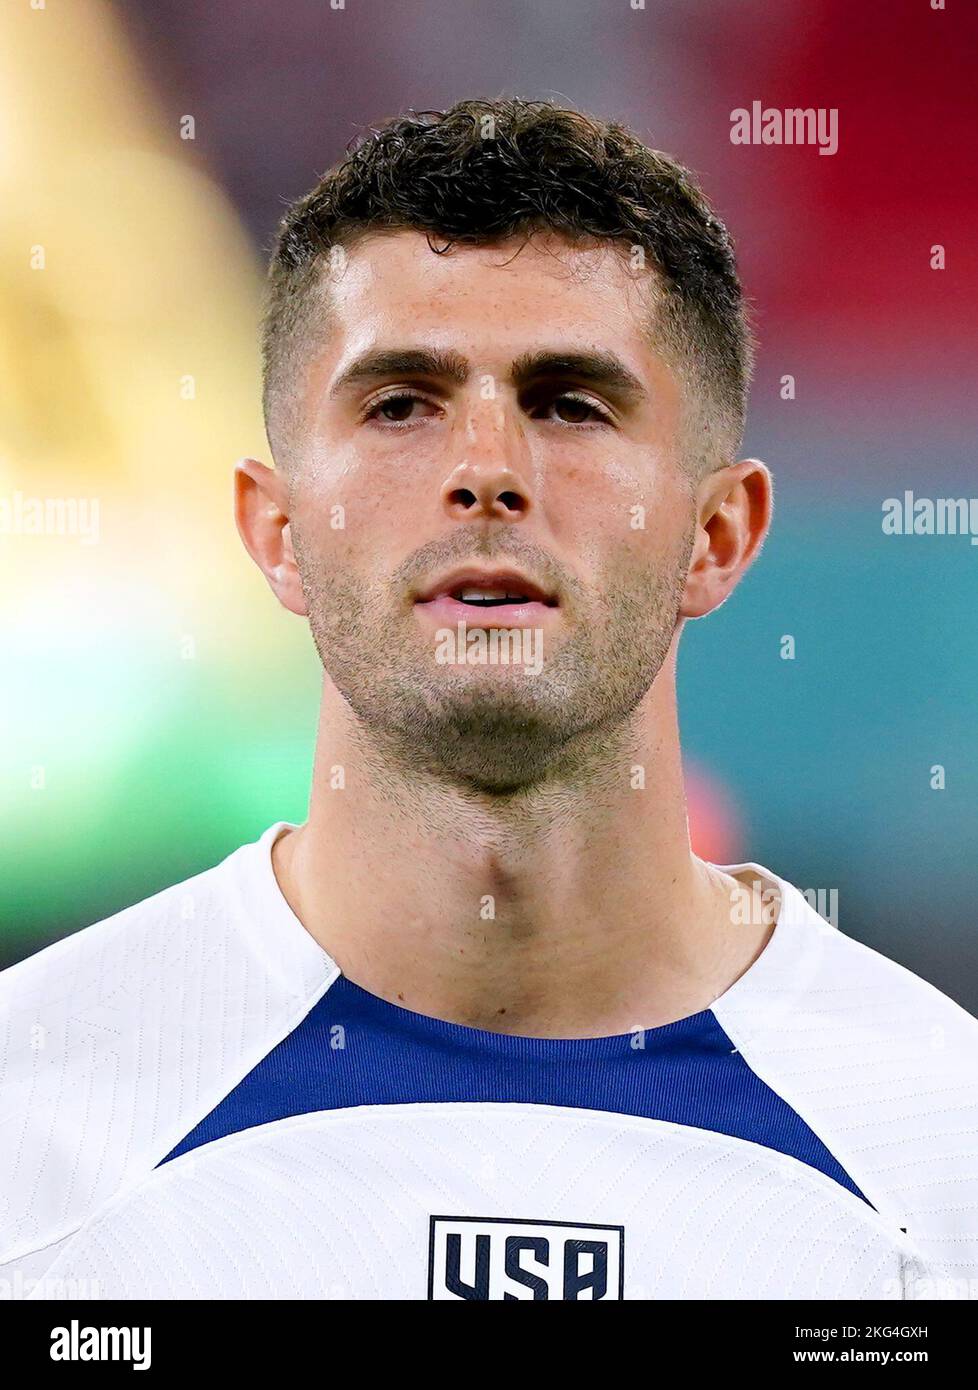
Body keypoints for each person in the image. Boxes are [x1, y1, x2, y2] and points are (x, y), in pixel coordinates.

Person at [2, 99, 976, 1301]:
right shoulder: (28, 1118)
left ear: (718, 534)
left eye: (569, 402)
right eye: (401, 401)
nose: (486, 474)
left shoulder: (945, 1159)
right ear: (278, 530)